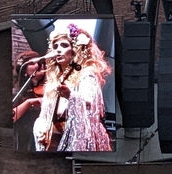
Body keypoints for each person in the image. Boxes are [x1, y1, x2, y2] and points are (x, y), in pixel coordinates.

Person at [34, 24, 113, 152]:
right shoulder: (53, 79)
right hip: (54, 141)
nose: (58, 50)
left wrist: (71, 96)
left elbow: (90, 103)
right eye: (55, 46)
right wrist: (40, 126)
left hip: (78, 141)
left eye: (64, 45)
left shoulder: (86, 74)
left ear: (75, 50)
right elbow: (44, 114)